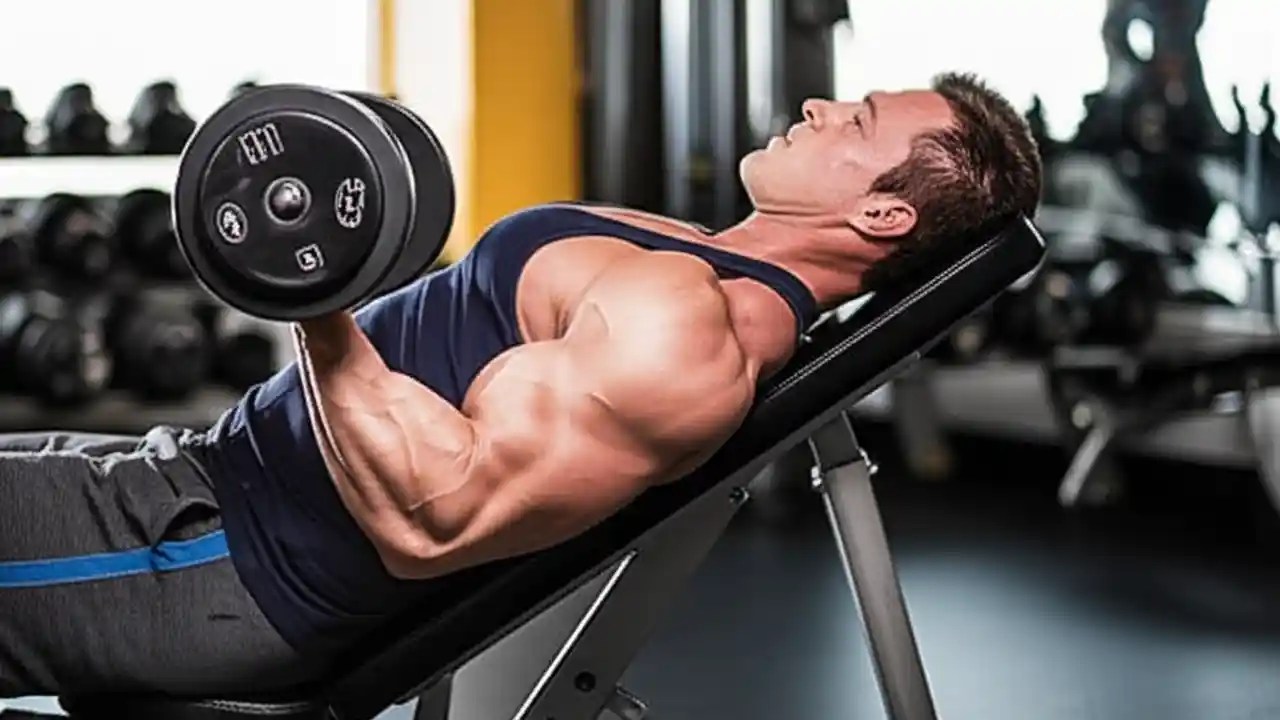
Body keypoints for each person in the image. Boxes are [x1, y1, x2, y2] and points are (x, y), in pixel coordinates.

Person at [0, 72, 1041, 699]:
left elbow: (437, 519)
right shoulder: (694, 255)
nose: (820, 105)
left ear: (882, 216)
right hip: (192, 485)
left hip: (218, 562)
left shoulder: (688, 334)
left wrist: (311, 297)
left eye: (856, 121)